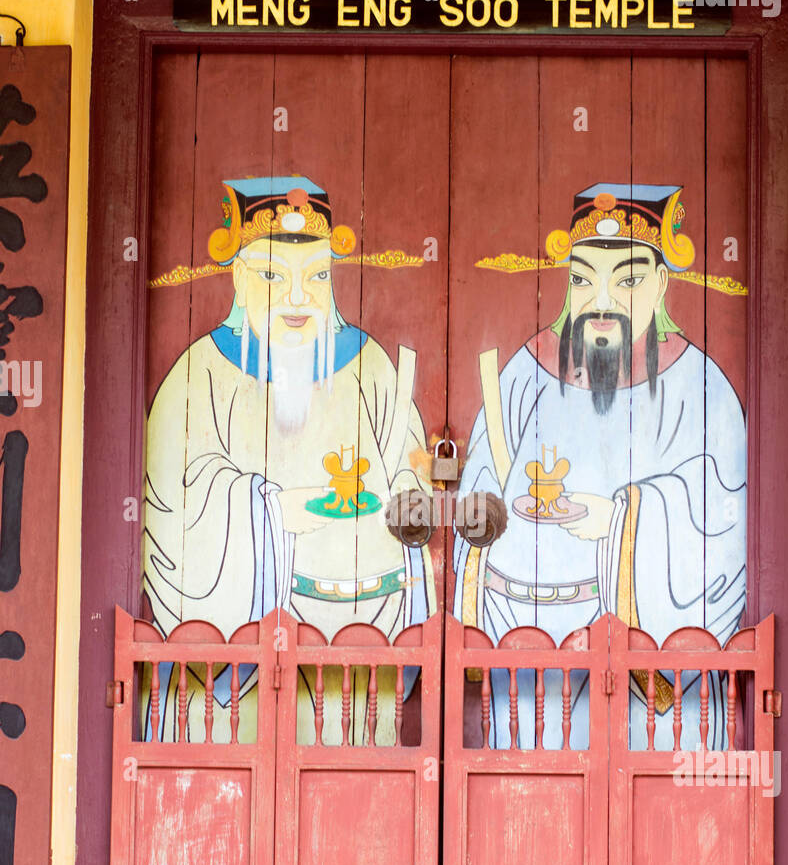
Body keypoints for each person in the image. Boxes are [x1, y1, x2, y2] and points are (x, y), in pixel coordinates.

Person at [454, 182, 746, 749]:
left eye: (628, 279)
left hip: (646, 682)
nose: (602, 299)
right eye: (584, 279)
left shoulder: (700, 386)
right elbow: (484, 481)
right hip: (529, 659)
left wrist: (622, 517)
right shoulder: (524, 372)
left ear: (662, 283)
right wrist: (480, 515)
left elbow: (723, 512)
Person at [143, 175, 435, 742]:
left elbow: (408, 471)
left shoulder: (373, 365)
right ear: (237, 276)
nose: (299, 298)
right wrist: (269, 511)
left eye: (317, 276)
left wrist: (408, 495)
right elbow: (174, 499)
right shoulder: (197, 374)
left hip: (359, 633)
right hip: (240, 664)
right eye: (274, 275)